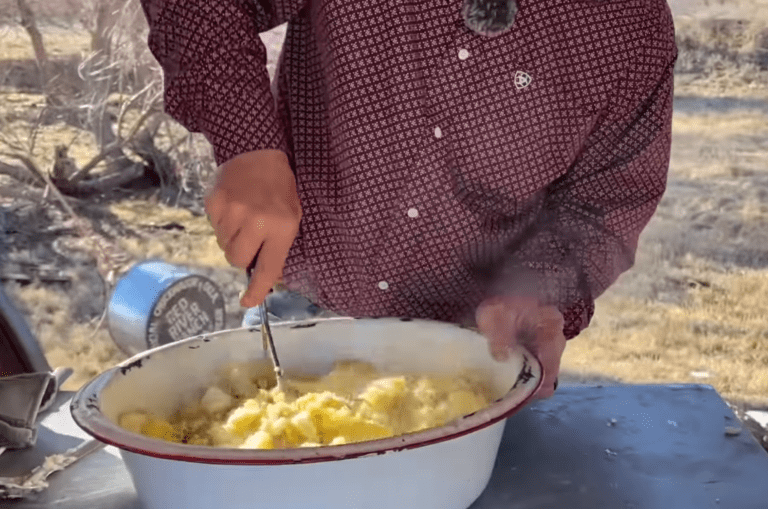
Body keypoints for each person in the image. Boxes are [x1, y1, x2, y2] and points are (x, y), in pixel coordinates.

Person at [139, 0, 677, 399]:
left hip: (474, 355)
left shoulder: (630, 28)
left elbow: (603, 203)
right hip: (299, 321)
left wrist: (536, 291)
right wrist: (246, 142)